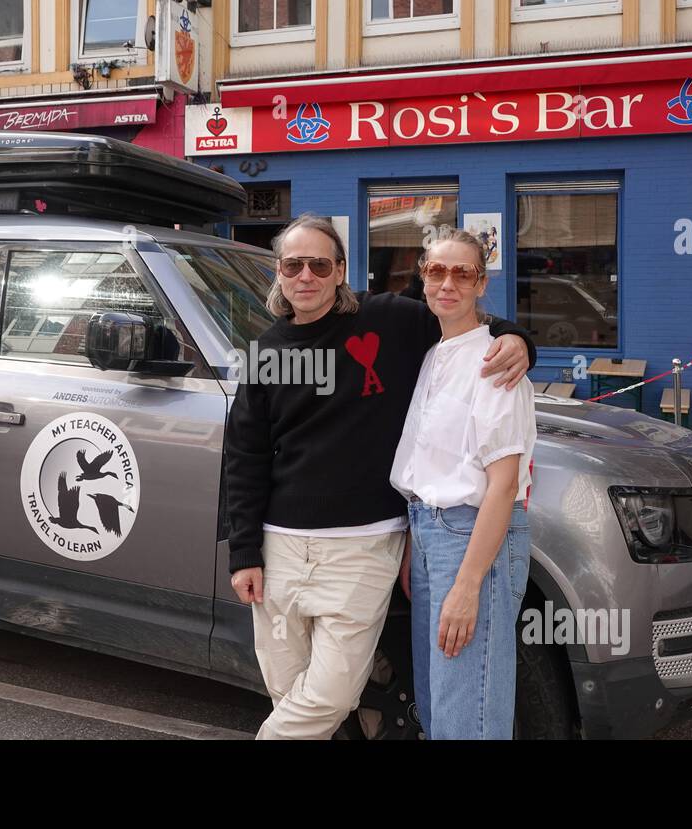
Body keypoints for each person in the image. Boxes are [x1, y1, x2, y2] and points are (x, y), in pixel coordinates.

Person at [225, 214, 537, 740]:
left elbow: (462, 317)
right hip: (282, 548)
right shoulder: (266, 353)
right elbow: (244, 455)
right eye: (293, 265)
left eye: (319, 264)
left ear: (340, 271)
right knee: (291, 688)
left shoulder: (387, 320)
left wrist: (518, 338)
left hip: (363, 546)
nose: (306, 276)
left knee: (337, 694)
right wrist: (243, 552)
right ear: (278, 273)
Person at [390, 229, 538, 740]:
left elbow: (502, 486)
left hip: (473, 542)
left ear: (481, 283)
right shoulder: (434, 354)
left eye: (463, 273)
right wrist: (417, 545)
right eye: (436, 271)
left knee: (468, 715)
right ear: (423, 280)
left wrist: (469, 584)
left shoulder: (496, 360)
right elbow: (429, 470)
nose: (447, 283)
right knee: (439, 705)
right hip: (432, 538)